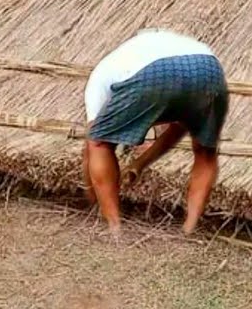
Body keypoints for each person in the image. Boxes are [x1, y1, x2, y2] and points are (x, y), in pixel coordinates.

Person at [82, 29, 229, 236]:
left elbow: (94, 141)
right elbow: (180, 125)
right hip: (209, 69)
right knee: (205, 152)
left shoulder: (97, 83)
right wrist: (138, 165)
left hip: (155, 73)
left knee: (98, 143)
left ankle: (114, 228)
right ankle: (189, 229)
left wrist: (91, 194)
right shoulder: (146, 47)